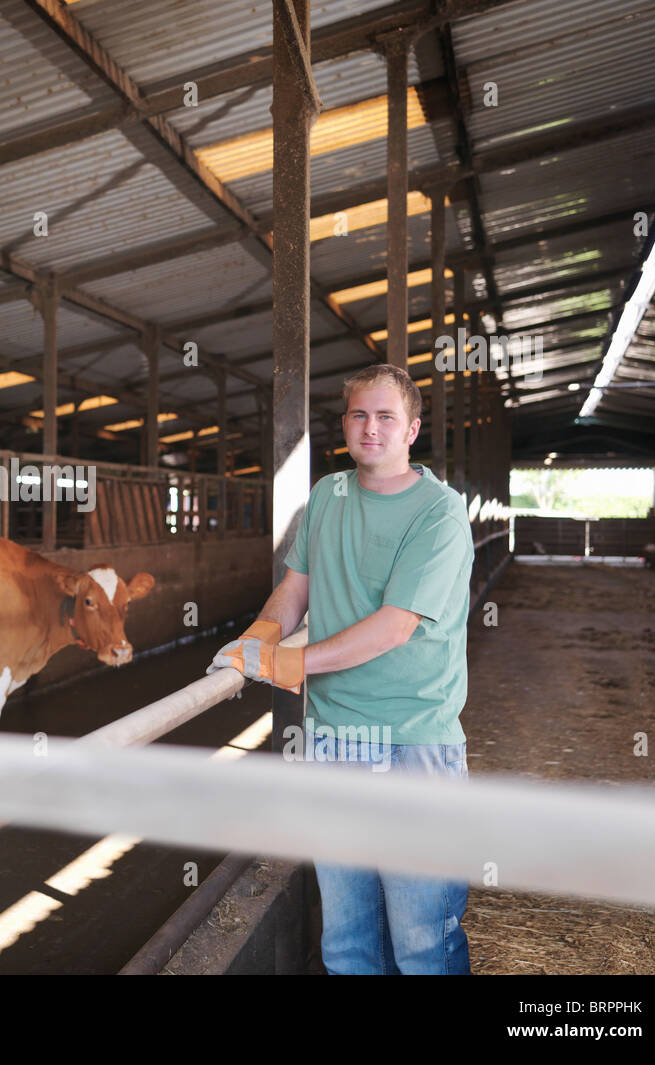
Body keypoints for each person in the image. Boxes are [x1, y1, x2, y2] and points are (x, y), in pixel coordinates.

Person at [208, 363, 475, 975]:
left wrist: (291, 662)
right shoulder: (328, 496)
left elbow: (395, 625)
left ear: (411, 430)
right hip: (333, 736)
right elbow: (294, 589)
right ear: (345, 425)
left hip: (413, 741)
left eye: (386, 417)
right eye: (358, 415)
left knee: (420, 938)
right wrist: (254, 641)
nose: (370, 428)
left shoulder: (440, 512)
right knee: (347, 938)